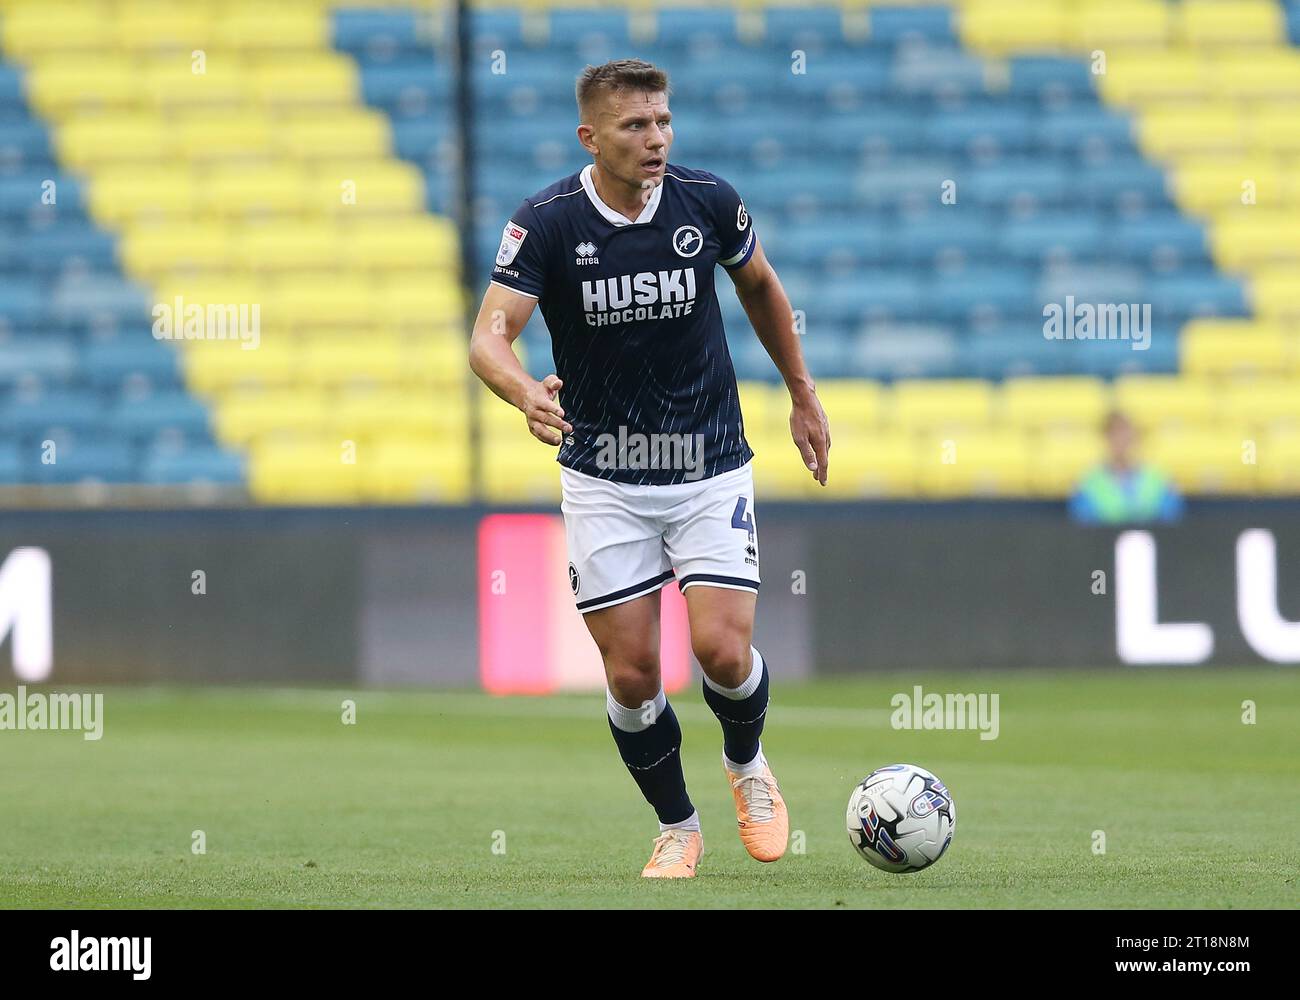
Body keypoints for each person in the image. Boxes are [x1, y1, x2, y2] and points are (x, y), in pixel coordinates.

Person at [468, 59, 830, 878]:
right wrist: (525, 391)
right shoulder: (548, 223)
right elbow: (488, 338)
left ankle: (747, 767)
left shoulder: (709, 200)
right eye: (636, 126)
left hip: (707, 463)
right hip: (605, 476)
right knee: (632, 677)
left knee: (723, 654)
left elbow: (763, 287)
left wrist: (802, 395)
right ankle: (678, 825)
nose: (657, 138)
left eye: (663, 121)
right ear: (590, 137)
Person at [1069, 411, 1183, 523]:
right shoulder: (1089, 481)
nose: (1121, 441)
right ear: (1106, 438)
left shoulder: (1158, 477)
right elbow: (1084, 521)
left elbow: (1171, 517)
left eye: (1126, 434)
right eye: (1114, 434)